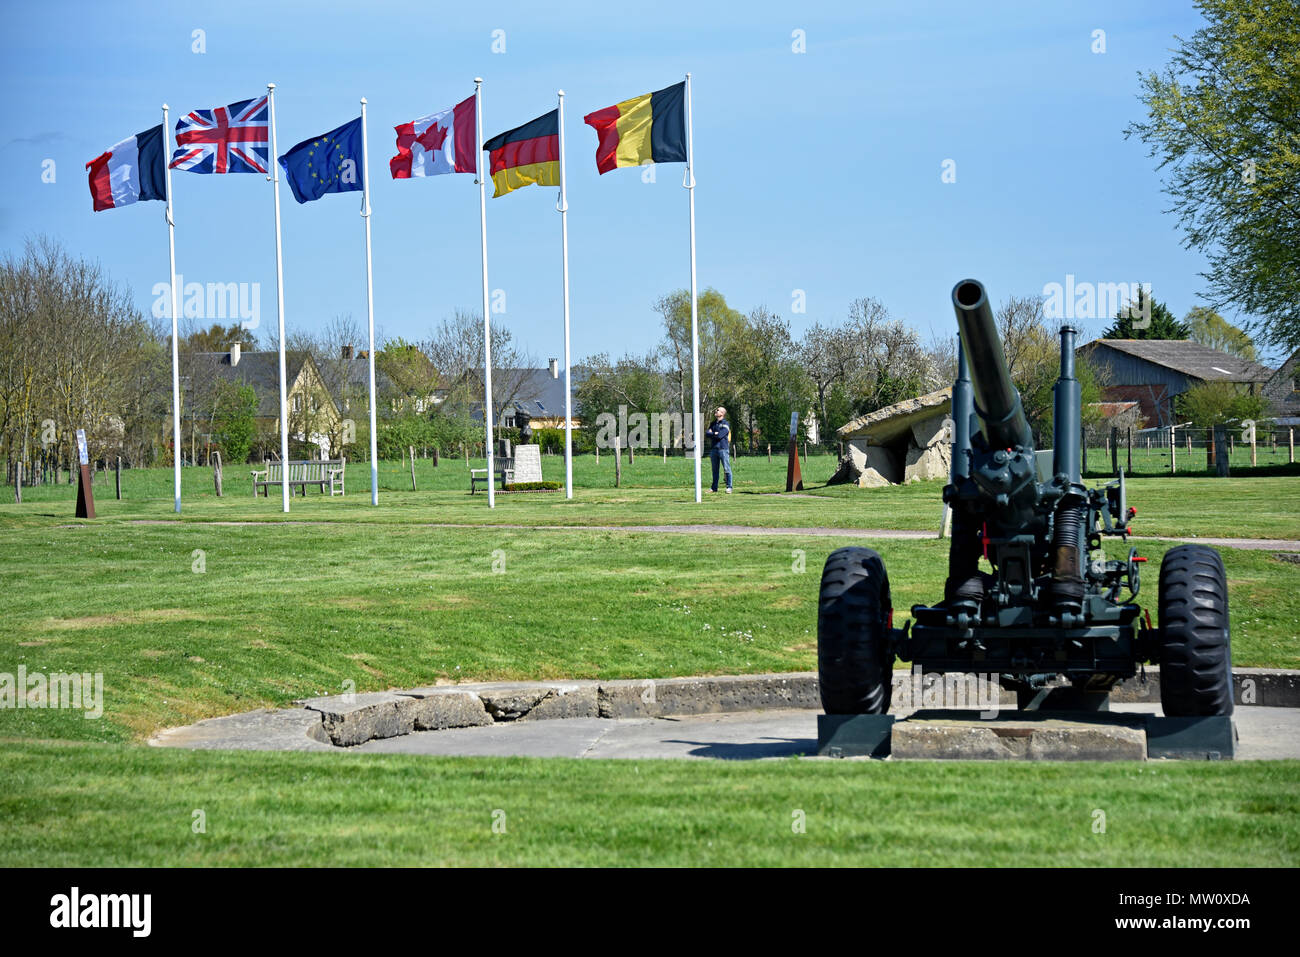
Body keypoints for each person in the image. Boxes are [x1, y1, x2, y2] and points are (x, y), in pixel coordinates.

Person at [706, 406, 732, 493]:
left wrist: (713, 434)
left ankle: (729, 487)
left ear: (722, 413)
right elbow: (707, 434)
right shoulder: (713, 423)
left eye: (718, 410)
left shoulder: (725, 423)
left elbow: (721, 435)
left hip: (723, 449)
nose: (716, 411)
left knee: (726, 468)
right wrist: (715, 433)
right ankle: (714, 488)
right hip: (714, 449)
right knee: (715, 470)